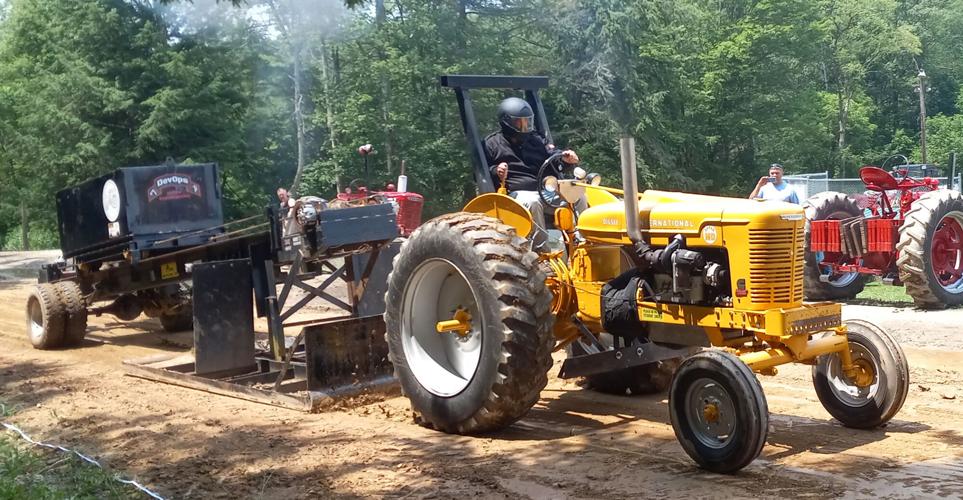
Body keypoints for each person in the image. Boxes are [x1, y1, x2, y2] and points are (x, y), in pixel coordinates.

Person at [483, 97, 579, 250]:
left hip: (543, 191)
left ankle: (581, 241)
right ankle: (542, 251)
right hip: (513, 196)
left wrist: (566, 160)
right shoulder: (491, 144)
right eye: (519, 123)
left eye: (527, 122)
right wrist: (496, 170)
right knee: (533, 202)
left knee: (577, 195)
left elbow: (553, 158)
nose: (525, 126)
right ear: (506, 122)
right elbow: (482, 173)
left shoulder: (536, 140)